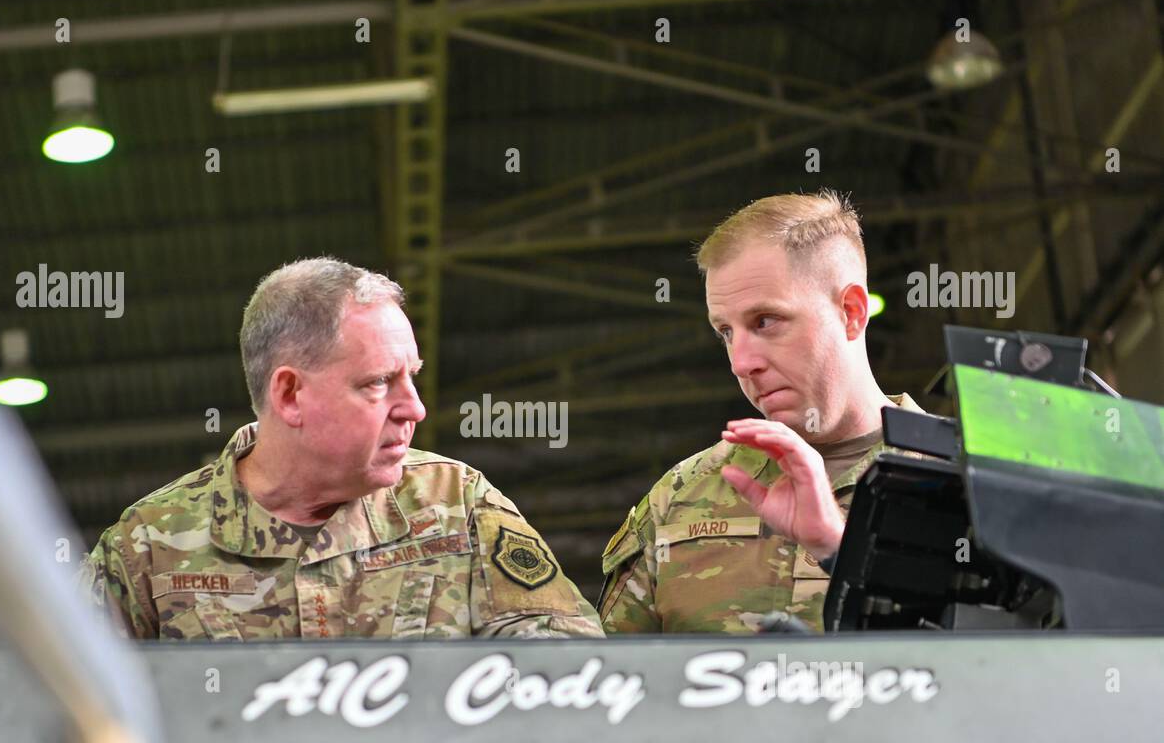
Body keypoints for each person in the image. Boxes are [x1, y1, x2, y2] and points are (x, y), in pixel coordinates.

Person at [80, 257, 604, 640]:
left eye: (412, 377)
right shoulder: (147, 549)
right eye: (379, 382)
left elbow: (567, 681)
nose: (414, 409)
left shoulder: (459, 506)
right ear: (289, 394)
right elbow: (56, 720)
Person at [599, 190, 922, 634]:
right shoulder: (678, 498)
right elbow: (611, 685)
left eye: (765, 321)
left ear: (851, 311)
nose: (740, 362)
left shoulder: (969, 481)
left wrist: (840, 551)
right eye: (726, 332)